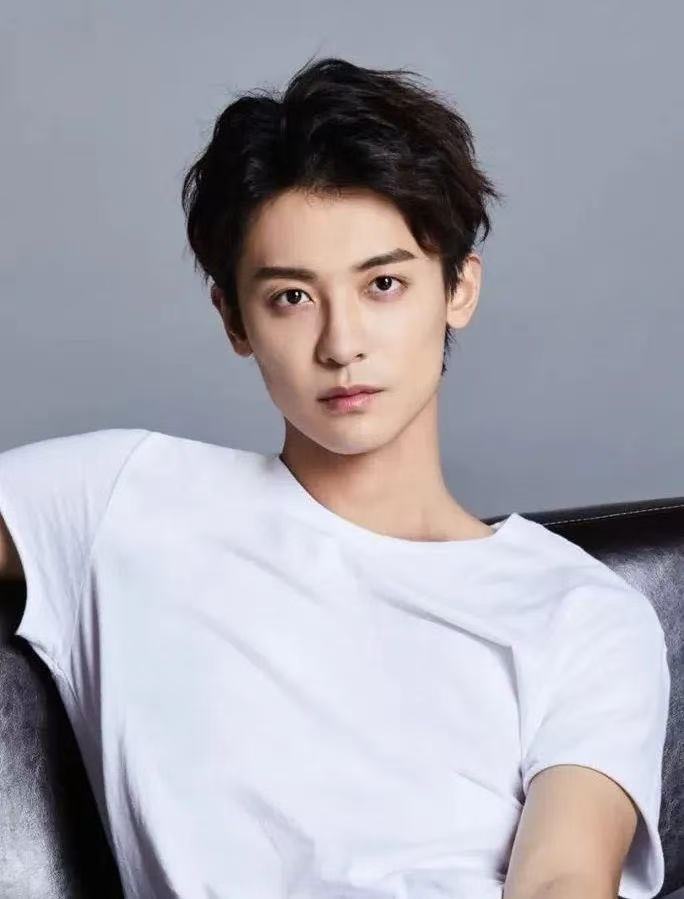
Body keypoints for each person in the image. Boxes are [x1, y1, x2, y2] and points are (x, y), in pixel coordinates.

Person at [0, 55, 670, 899]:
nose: (341, 343)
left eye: (383, 284)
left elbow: (563, 879)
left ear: (458, 288)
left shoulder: (581, 610)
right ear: (233, 317)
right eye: (291, 297)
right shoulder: (121, 501)